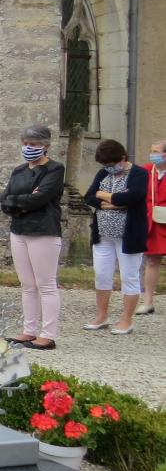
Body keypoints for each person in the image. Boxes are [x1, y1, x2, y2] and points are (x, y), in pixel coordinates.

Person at [0, 125, 65, 351]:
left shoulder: (54, 169)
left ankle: (48, 334)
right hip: (19, 229)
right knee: (27, 284)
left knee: (45, 284)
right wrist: (22, 201)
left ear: (45, 146)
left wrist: (19, 201)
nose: (28, 147)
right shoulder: (19, 171)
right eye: (26, 143)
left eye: (34, 144)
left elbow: (41, 198)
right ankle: (29, 329)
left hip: (43, 230)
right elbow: (4, 199)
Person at [83, 139, 148, 335]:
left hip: (129, 236)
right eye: (105, 165)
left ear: (122, 158)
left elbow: (132, 197)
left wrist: (104, 195)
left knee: (129, 276)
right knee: (102, 274)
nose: (108, 168)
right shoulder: (103, 173)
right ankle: (101, 316)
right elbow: (89, 196)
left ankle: (126, 320)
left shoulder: (139, 173)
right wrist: (112, 201)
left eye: (111, 164)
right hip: (103, 235)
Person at [138, 140, 166, 315]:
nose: (152, 154)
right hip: (153, 221)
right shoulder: (146, 170)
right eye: (151, 151)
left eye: (156, 151)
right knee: (151, 261)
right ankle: (148, 302)